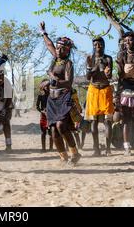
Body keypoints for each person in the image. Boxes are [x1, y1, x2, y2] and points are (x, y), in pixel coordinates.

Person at [40, 22, 82, 165]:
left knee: (61, 126)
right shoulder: (55, 58)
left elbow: (69, 82)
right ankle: (63, 157)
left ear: (67, 50)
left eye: (62, 48)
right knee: (52, 131)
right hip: (52, 100)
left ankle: (75, 154)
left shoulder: (68, 63)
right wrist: (43, 32)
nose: (58, 49)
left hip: (64, 98)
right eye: (58, 47)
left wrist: (53, 82)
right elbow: (49, 45)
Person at [85, 37, 114, 156]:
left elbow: (110, 76)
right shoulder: (90, 58)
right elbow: (88, 77)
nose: (98, 46)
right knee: (94, 121)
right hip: (93, 90)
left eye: (100, 44)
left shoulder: (108, 58)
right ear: (93, 45)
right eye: (95, 44)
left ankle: (108, 149)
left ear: (104, 45)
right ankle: (96, 148)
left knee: (108, 121)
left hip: (105, 90)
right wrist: (93, 67)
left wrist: (107, 72)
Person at [36, 79, 53, 151]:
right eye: (46, 86)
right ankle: (43, 148)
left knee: (51, 132)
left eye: (49, 86)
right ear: (43, 87)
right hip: (43, 116)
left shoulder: (52, 95)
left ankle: (51, 148)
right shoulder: (40, 96)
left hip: (51, 115)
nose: (47, 87)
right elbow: (37, 106)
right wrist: (42, 111)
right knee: (43, 132)